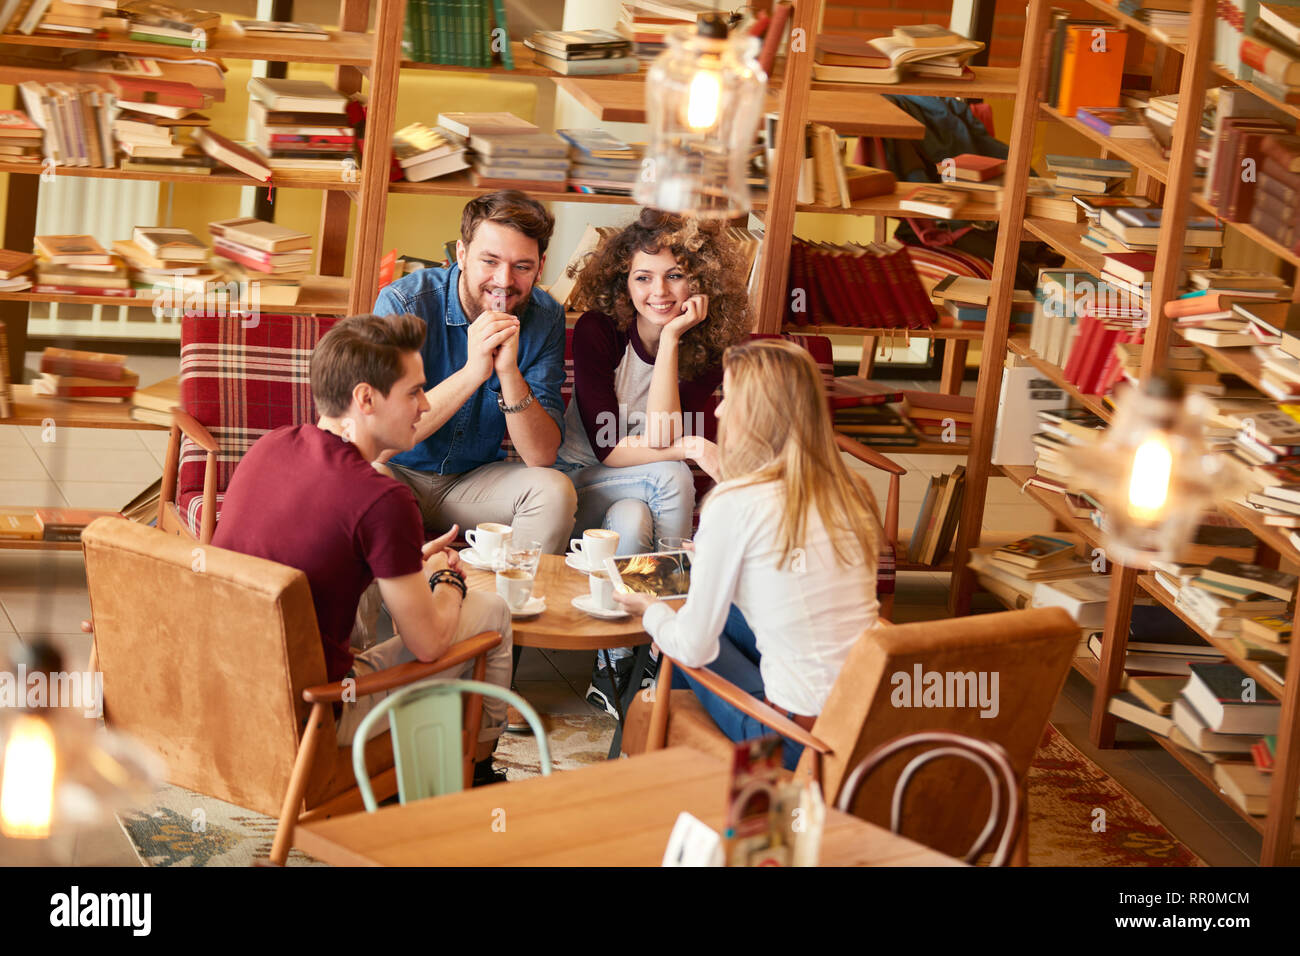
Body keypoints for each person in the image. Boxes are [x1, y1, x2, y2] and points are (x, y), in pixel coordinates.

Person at [211, 313, 515, 786]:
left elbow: (320, 552)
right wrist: (446, 579)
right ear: (365, 398)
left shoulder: (269, 447)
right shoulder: (381, 498)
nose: (425, 404)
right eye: (413, 391)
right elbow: (430, 645)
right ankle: (476, 769)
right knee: (492, 610)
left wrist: (405, 562)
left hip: (228, 691)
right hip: (316, 711)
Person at [613, 339, 882, 771]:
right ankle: (661, 764)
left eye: (730, 398)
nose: (718, 412)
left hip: (796, 737)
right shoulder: (851, 491)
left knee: (676, 632)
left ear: (757, 414)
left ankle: (653, 762)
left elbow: (694, 647)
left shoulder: (736, 503)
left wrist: (650, 610)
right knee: (701, 615)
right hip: (863, 719)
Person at [556, 210, 751, 715]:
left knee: (634, 521)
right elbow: (611, 449)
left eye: (675, 275)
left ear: (699, 280)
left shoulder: (703, 346)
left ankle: (615, 663)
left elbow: (659, 433)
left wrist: (670, 341)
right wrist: (689, 448)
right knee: (671, 471)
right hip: (581, 481)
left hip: (633, 500)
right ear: (624, 282)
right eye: (643, 277)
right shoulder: (599, 331)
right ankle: (668, 636)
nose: (658, 291)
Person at [372, 190, 577, 556]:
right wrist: (473, 372)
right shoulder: (404, 304)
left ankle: (507, 609)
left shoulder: (545, 317)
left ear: (540, 267)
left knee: (554, 490)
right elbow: (381, 441)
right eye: (490, 261)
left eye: (522, 266)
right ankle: (400, 613)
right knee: (362, 484)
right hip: (397, 474)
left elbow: (540, 456)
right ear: (462, 254)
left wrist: (509, 373)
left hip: (472, 482)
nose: (504, 281)